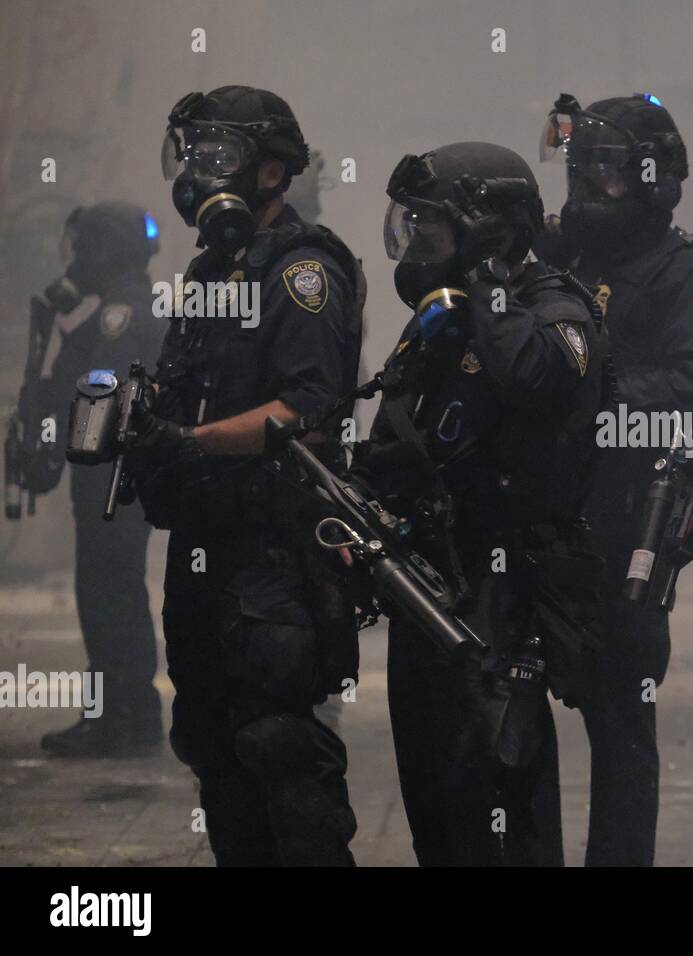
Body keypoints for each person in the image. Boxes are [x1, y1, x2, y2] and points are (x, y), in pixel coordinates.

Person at [351, 142, 606, 866]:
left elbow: (534, 379)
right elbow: (397, 436)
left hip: (504, 597)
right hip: (427, 585)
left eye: (429, 226)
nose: (414, 242)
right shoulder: (444, 315)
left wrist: (488, 280)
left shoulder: (554, 309)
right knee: (437, 799)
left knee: (500, 798)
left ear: (488, 231)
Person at [131, 85, 366, 865]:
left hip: (272, 551)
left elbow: (305, 405)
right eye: (191, 155)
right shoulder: (211, 268)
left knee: (277, 743)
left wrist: (192, 443)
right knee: (209, 737)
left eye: (217, 155)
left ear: (271, 171)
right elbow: (185, 384)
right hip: (204, 544)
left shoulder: (303, 269)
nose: (198, 171)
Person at [536, 91, 693, 865]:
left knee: (621, 728)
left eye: (608, 174)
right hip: (547, 517)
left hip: (628, 528)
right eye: (579, 168)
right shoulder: (561, 259)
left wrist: (593, 395)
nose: (587, 189)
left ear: (654, 180)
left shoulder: (687, 270)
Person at [27, 202, 165, 757]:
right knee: (115, 591)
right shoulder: (120, 308)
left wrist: (59, 451)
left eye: (85, 246)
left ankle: (119, 718)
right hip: (117, 481)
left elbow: (99, 398)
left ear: (105, 250)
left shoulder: (122, 314)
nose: (77, 258)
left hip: (111, 481)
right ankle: (129, 714)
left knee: (107, 594)